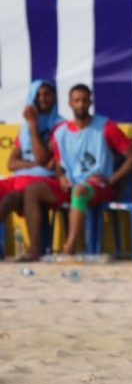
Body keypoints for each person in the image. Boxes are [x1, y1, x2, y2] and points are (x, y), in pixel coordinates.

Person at [21, 84, 132, 260]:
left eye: (84, 100)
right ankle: (34, 251)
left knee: (80, 190)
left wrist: (112, 179)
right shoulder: (61, 132)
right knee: (32, 190)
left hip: (97, 186)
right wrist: (60, 177)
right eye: (77, 100)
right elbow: (58, 164)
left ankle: (69, 248)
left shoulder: (105, 127)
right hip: (70, 184)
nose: (81, 104)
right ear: (69, 103)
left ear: (90, 102)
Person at [0, 80, 63, 261]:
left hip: (43, 181)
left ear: (54, 97)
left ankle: (34, 251)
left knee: (15, 196)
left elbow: (43, 157)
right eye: (38, 95)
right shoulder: (24, 128)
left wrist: (34, 124)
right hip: (21, 177)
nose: (42, 98)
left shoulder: (60, 125)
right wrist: (34, 164)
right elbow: (11, 163)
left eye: (47, 94)